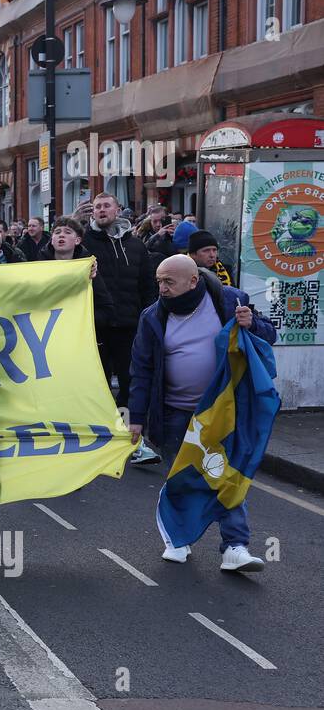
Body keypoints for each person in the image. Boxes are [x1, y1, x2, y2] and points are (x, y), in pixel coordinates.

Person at [129, 254, 276, 572]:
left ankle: (235, 547)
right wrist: (136, 419)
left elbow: (268, 335)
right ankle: (179, 541)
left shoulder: (230, 302)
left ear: (193, 280)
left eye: (169, 281)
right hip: (174, 414)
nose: (162, 288)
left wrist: (253, 324)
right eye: (159, 281)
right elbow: (141, 370)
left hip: (222, 414)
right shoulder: (152, 317)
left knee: (228, 476)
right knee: (181, 479)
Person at [81, 192, 161, 466]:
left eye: (106, 206)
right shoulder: (85, 243)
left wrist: (149, 319)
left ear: (118, 210)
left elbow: (148, 286)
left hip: (130, 327)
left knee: (130, 384)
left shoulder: (136, 245)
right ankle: (98, 438)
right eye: (97, 207)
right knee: (97, 386)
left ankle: (129, 441)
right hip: (96, 328)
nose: (101, 210)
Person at [40, 217, 114, 331]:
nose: (61, 235)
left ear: (77, 240)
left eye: (67, 232)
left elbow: (106, 309)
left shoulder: (89, 269)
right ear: (52, 239)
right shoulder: (38, 266)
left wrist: (82, 319)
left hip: (77, 333)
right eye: (57, 232)